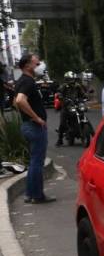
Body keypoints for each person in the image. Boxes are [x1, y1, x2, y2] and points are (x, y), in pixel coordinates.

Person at [12, 53, 54, 203]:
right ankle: (37, 195)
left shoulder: (22, 81)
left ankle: (30, 194)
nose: (40, 66)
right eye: (37, 64)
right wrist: (36, 118)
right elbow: (20, 100)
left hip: (29, 126)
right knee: (37, 162)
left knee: (34, 162)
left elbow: (15, 102)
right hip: (34, 127)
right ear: (27, 66)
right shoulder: (27, 82)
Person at [56, 71, 88, 146]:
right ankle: (60, 140)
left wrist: (85, 96)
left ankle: (87, 130)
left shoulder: (77, 86)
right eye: (70, 79)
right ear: (66, 79)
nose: (72, 81)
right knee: (62, 123)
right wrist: (61, 97)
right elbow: (59, 93)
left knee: (82, 113)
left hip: (76, 104)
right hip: (66, 106)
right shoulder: (64, 86)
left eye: (73, 79)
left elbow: (82, 93)